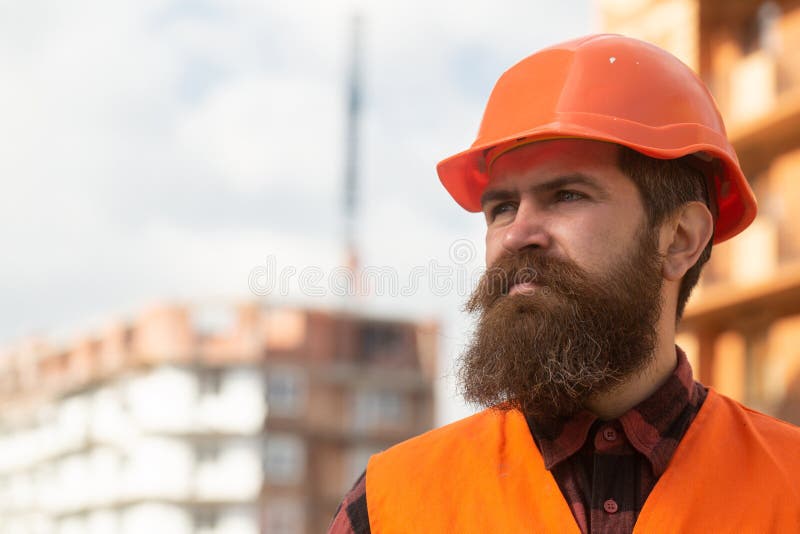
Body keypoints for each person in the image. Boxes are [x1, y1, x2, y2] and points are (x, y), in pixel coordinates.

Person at [329, 34, 800, 533]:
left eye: (567, 195)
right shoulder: (390, 504)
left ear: (680, 238)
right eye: (502, 208)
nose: (517, 235)